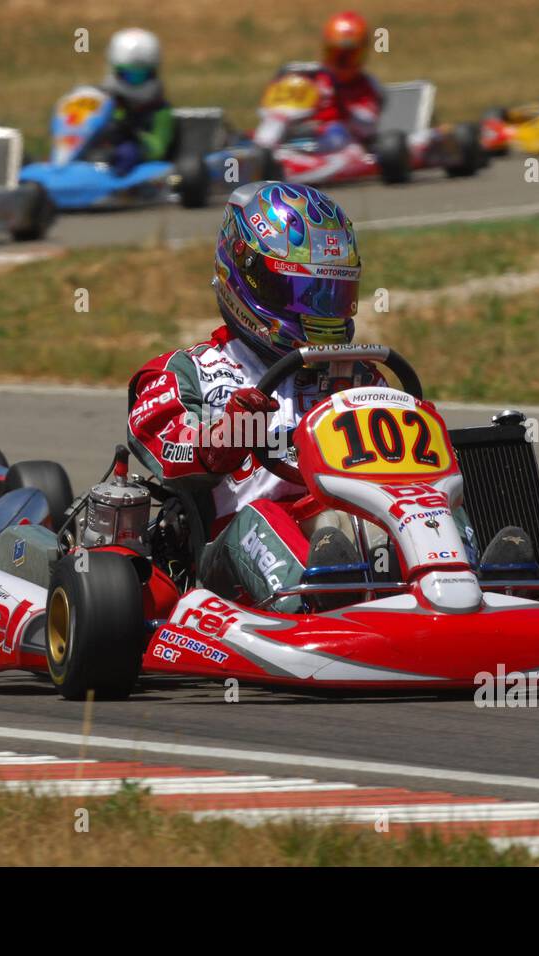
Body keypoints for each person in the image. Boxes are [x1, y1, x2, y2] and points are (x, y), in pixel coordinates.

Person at [127, 182, 391, 608]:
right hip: (227, 556)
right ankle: (311, 605)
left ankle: (477, 582)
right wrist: (224, 438)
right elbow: (166, 447)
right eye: (304, 295)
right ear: (247, 275)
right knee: (265, 517)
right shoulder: (190, 371)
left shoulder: (360, 378)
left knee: (400, 510)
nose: (319, 311)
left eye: (331, 295)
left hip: (338, 528)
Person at [101, 28, 175, 175]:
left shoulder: (160, 111)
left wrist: (132, 133)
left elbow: (158, 149)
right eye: (129, 76)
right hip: (101, 154)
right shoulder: (107, 104)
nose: (134, 81)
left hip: (136, 163)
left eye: (139, 76)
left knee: (127, 152)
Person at [311, 11, 384, 147]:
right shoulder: (314, 78)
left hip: (346, 144)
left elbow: (367, 125)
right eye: (336, 55)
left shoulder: (366, 86)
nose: (341, 63)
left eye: (348, 57)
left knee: (335, 132)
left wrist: (342, 106)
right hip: (307, 136)